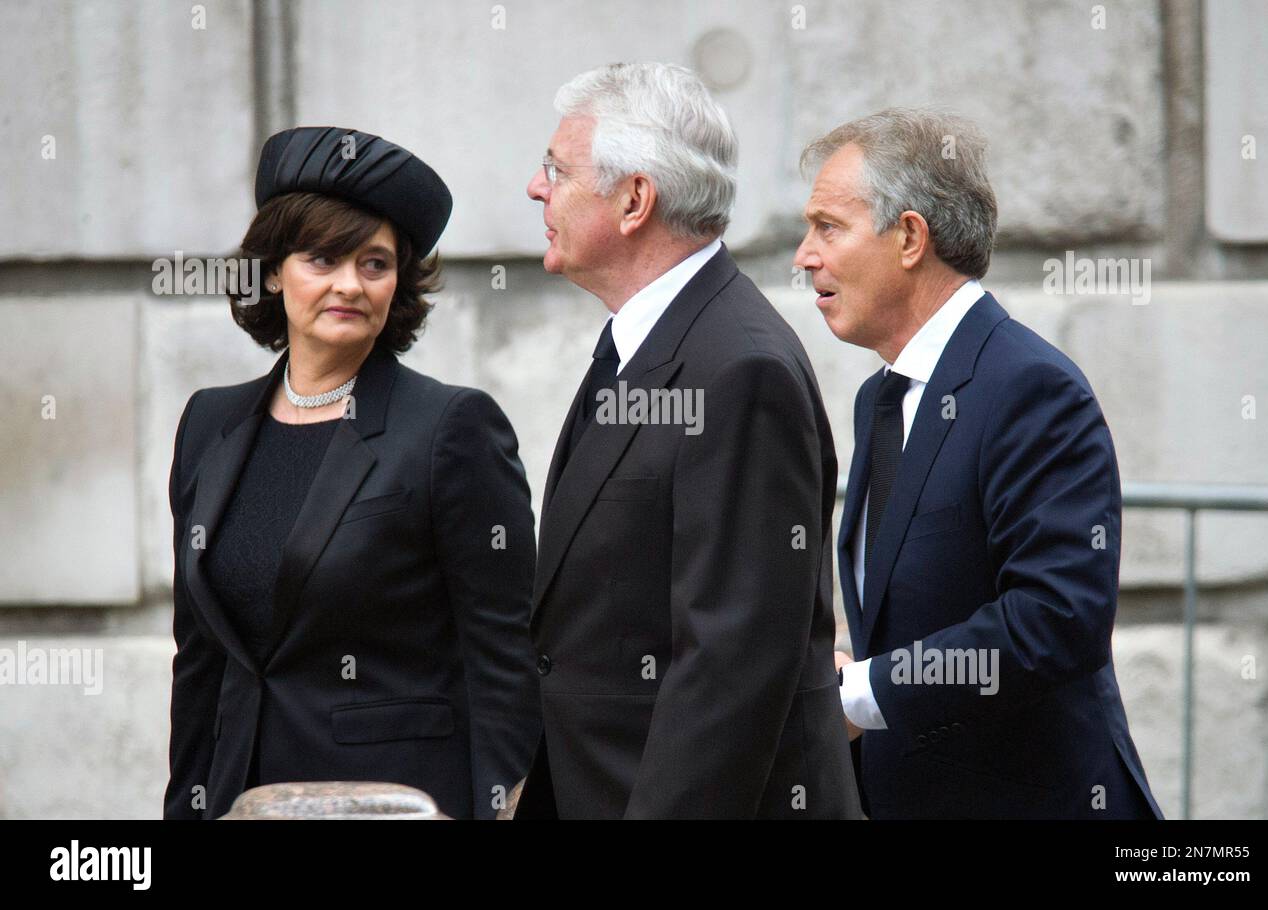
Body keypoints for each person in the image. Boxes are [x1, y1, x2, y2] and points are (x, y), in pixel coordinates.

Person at [514, 63, 859, 819]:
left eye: (556, 171)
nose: (537, 190)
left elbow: (731, 665)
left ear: (634, 199)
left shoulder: (739, 369)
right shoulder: (650, 340)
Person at [795, 109, 1163, 819]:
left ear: (908, 237)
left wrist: (864, 694)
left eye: (828, 227)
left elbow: (1055, 618)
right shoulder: (883, 395)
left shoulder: (1028, 386)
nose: (805, 255)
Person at [164, 126, 540, 820]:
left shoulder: (451, 428)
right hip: (239, 801)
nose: (349, 284)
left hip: (397, 804)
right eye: (322, 258)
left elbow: (504, 664)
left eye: (374, 264)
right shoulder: (208, 426)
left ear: (398, 285)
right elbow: (199, 665)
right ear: (274, 270)